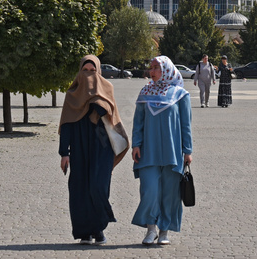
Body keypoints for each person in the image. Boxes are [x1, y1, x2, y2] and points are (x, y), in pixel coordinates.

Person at [58, 55, 129, 245]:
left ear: (98, 71)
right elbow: (66, 124)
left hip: (101, 146)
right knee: (80, 188)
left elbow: (110, 115)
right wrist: (64, 153)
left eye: (92, 71)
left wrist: (97, 100)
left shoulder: (106, 88)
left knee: (98, 186)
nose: (88, 75)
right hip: (79, 147)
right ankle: (84, 232)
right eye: (85, 71)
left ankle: (99, 227)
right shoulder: (72, 94)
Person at [131, 56, 193, 246]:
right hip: (148, 152)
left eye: (157, 68)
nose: (152, 71)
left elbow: (186, 125)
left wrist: (187, 150)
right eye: (151, 68)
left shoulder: (180, 94)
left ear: (166, 69)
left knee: (170, 193)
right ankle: (151, 230)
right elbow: (138, 122)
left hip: (172, 153)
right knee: (149, 191)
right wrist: (136, 144)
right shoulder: (145, 92)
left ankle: (164, 231)